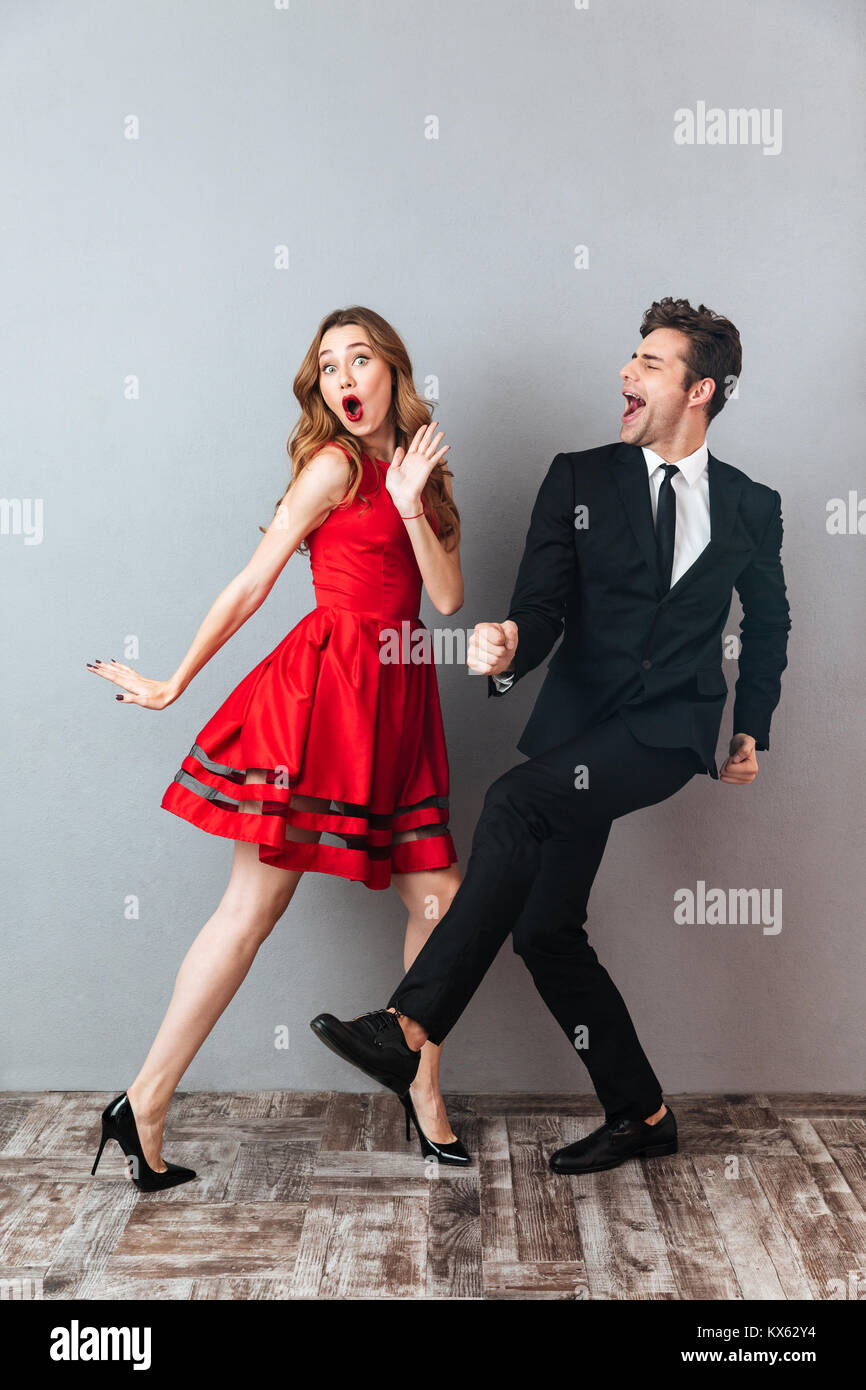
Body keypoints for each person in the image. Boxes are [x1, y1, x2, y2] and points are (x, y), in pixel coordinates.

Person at [310, 297, 791, 1176]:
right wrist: (506, 648)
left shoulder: (753, 507)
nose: (626, 374)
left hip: (665, 732)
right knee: (546, 931)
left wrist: (751, 727)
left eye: (649, 363)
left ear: (702, 390)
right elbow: (539, 609)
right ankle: (641, 1112)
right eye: (630, 358)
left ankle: (408, 1025)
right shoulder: (578, 479)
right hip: (580, 731)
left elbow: (767, 625)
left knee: (515, 803)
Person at [87, 305, 471, 1191]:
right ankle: (144, 1100)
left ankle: (421, 1086)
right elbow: (255, 581)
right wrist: (176, 679)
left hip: (401, 700)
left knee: (442, 903)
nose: (344, 378)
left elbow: (447, 600)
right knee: (249, 915)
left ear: (393, 373)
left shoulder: (427, 477)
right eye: (328, 365)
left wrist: (413, 506)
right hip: (324, 697)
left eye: (360, 359)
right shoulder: (330, 467)